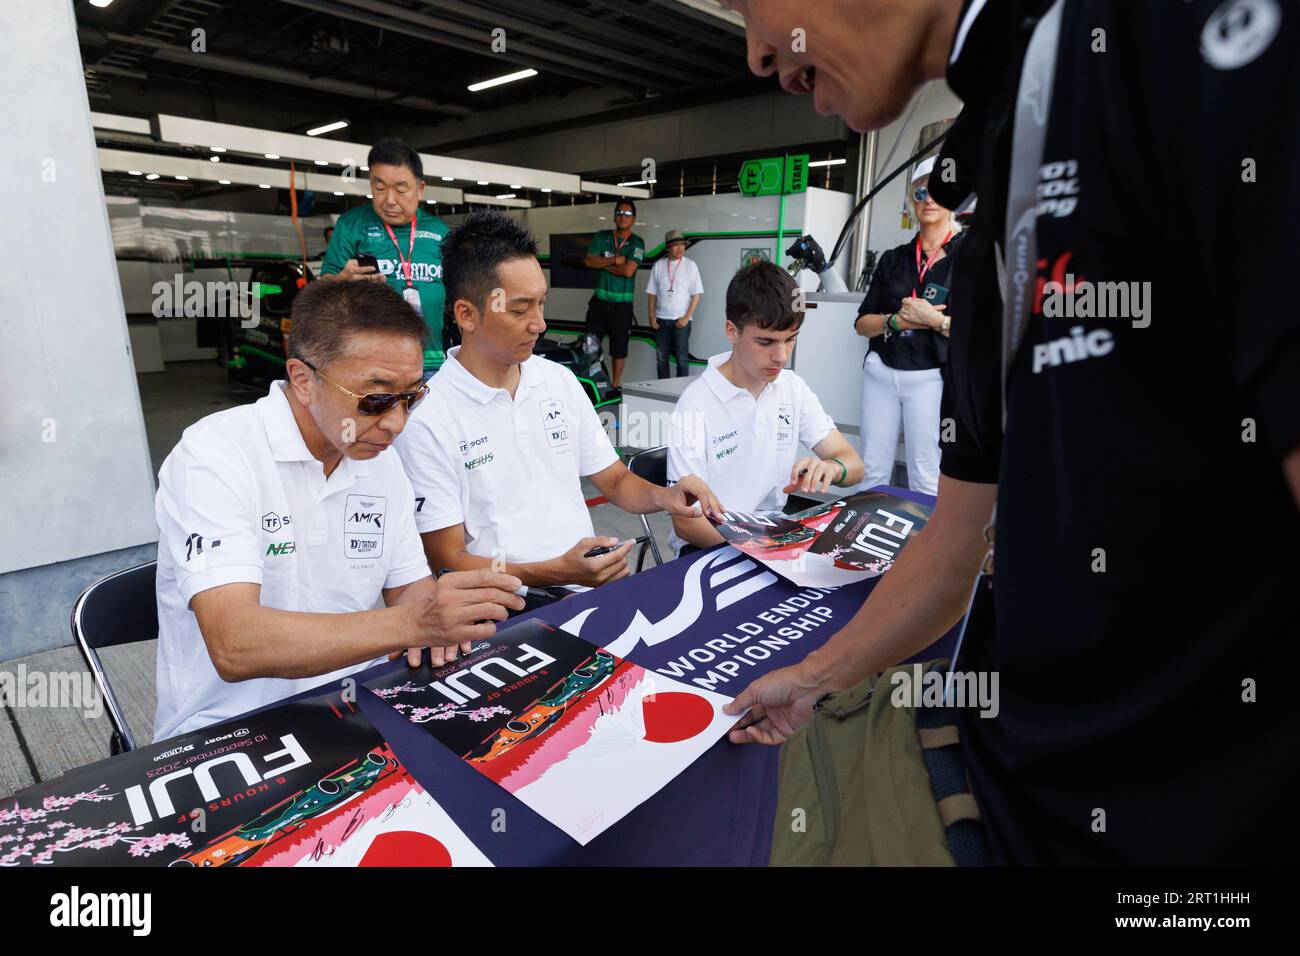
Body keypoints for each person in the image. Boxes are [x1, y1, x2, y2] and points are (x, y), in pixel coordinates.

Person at [716, 0, 1300, 865]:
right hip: (1004, 783)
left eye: (744, 2)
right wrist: (813, 678)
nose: (758, 55)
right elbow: (956, 542)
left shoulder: (1166, 40)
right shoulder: (1008, 163)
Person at [153, 280, 524, 739]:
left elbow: (411, 589)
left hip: (353, 706)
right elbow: (234, 644)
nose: (396, 422)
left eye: (412, 396)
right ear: (303, 379)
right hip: (227, 730)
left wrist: (450, 615)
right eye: (375, 399)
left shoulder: (381, 464)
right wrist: (413, 624)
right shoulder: (214, 456)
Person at [395, 209, 724, 592]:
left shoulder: (559, 381)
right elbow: (449, 560)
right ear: (466, 315)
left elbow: (615, 480)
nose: (540, 323)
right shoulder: (427, 419)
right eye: (520, 309)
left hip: (586, 589)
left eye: (542, 304)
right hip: (502, 612)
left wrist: (666, 497)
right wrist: (556, 572)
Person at [668, 262, 864, 556]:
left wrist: (833, 468)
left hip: (772, 537)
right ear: (731, 331)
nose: (782, 356)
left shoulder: (792, 388)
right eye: (766, 342)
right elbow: (687, 524)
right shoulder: (696, 404)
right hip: (711, 545)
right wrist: (767, 553)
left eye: (791, 339)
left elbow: (856, 468)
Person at [854, 155, 962, 495]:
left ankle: (926, 546)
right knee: (873, 471)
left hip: (931, 377)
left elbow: (984, 333)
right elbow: (861, 323)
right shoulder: (893, 258)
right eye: (920, 193)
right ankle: (866, 542)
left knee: (926, 474)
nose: (928, 199)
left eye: (937, 191)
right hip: (882, 372)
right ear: (911, 203)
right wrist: (897, 320)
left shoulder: (970, 256)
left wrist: (935, 320)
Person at [319, 137, 449, 373]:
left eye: (401, 189)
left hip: (431, 361)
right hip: (372, 362)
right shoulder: (352, 225)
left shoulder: (439, 231)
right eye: (379, 188)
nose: (389, 200)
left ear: (420, 189)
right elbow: (320, 293)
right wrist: (341, 282)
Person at [582, 199, 644, 396]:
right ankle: (592, 381)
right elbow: (589, 261)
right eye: (619, 213)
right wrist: (613, 260)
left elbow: (628, 271)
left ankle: (615, 386)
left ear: (633, 219)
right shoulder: (602, 236)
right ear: (614, 216)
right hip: (599, 302)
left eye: (627, 214)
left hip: (622, 305)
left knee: (619, 349)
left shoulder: (637, 242)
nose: (622, 217)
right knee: (591, 343)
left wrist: (603, 264)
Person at [647, 230, 703, 378]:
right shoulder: (658, 266)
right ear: (668, 248)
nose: (679, 248)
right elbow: (652, 293)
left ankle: (681, 395)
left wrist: (686, 318)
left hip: (681, 321)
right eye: (675, 245)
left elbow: (697, 295)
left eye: (682, 245)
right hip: (661, 321)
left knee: (682, 360)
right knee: (661, 360)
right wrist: (652, 316)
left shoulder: (690, 266)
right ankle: (663, 393)